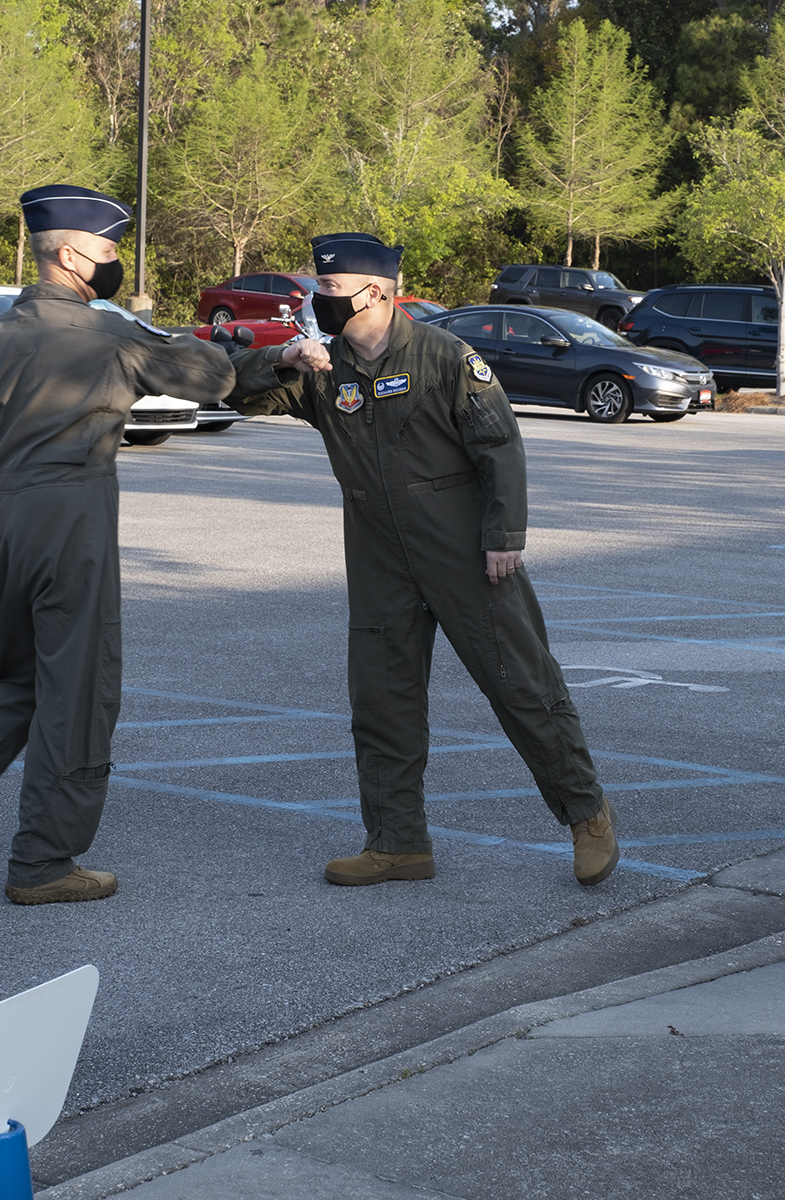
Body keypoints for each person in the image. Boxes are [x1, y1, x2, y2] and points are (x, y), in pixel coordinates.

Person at [224, 232, 618, 889]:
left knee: (522, 685)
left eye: (329, 290)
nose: (318, 301)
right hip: (378, 554)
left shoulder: (443, 355)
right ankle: (397, 843)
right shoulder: (324, 367)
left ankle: (587, 814)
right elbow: (238, 392)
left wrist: (504, 533)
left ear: (375, 292)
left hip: (463, 549)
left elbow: (499, 445)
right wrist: (284, 356)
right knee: (382, 699)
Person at [0, 184, 236, 906]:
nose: (114, 262)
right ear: (74, 256)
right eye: (108, 250)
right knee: (80, 689)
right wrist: (159, 332)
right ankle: (43, 860)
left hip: (10, 527)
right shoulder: (105, 335)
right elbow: (212, 378)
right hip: (73, 519)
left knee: (24, 676)